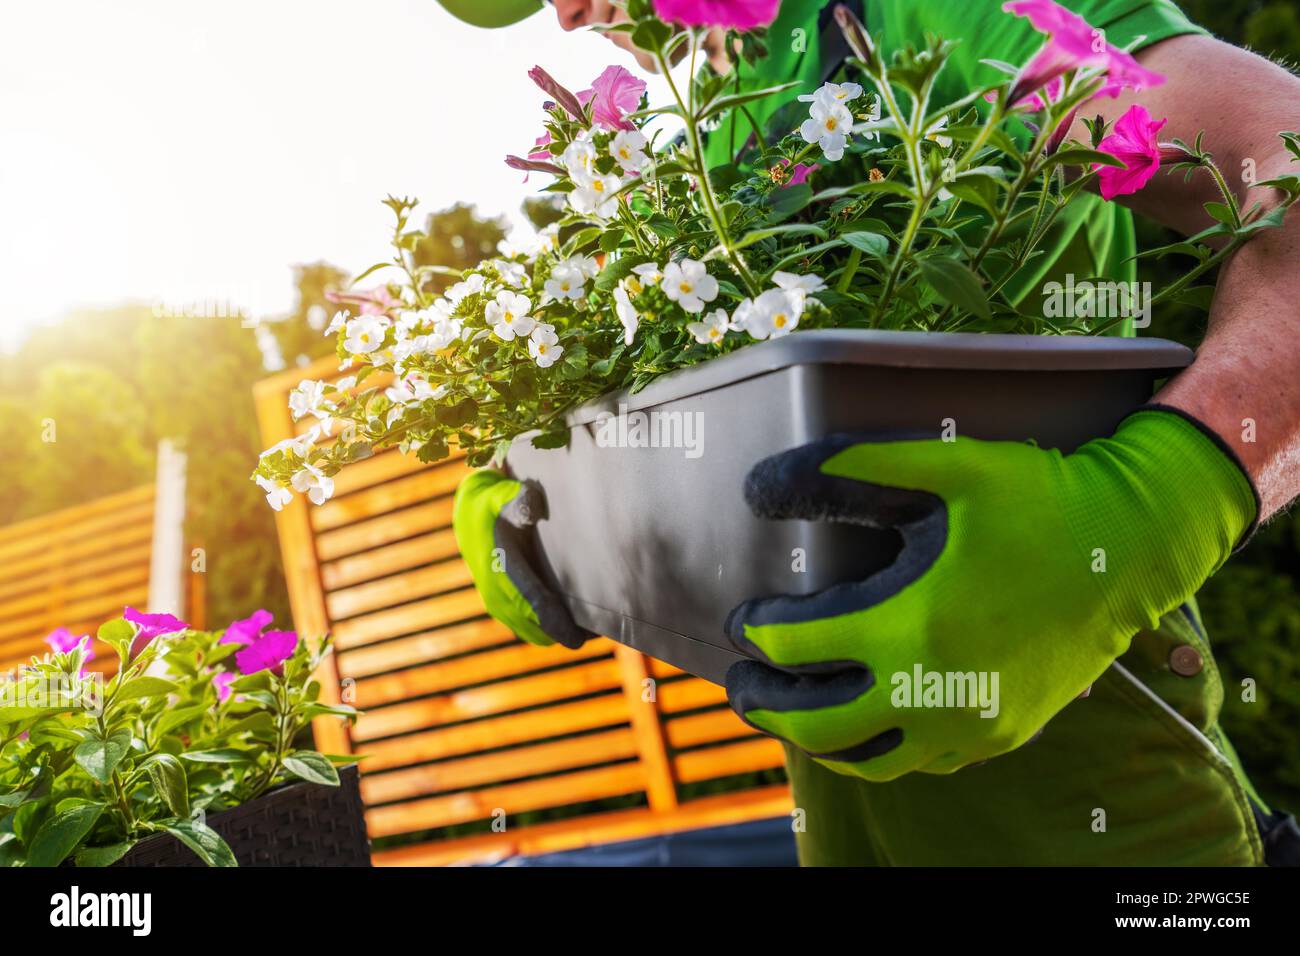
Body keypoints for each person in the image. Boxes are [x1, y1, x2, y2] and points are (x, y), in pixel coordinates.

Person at [443, 0, 1300, 865]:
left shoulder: (928, 13)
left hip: (1109, 816)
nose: (566, 13)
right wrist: (536, 487)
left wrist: (1151, 507)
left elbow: (1287, 161)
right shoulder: (721, 129)